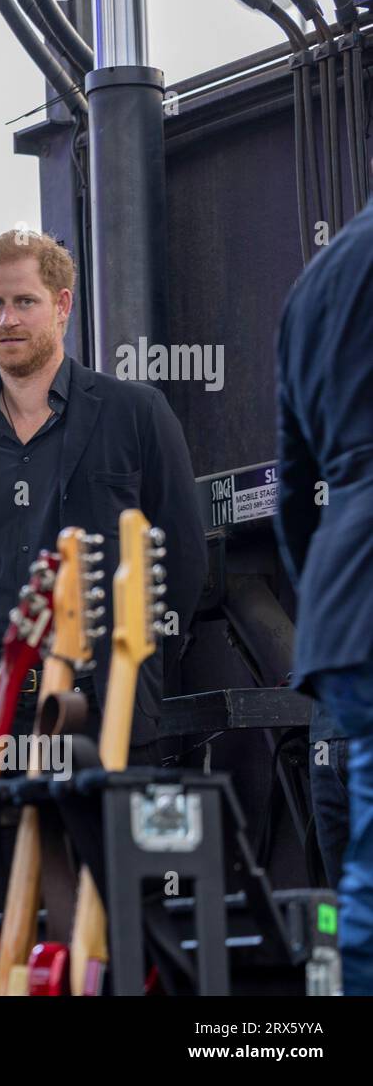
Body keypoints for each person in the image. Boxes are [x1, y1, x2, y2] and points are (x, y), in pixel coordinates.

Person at [0, 230, 206, 794]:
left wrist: (128, 672)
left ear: (62, 305)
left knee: (103, 877)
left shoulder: (137, 412)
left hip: (103, 703)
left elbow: (184, 562)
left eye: (24, 301)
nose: (7, 320)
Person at [275, 196, 373, 996]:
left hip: (342, 615)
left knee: (362, 876)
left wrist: (329, 611)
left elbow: (291, 493)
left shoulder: (314, 285)